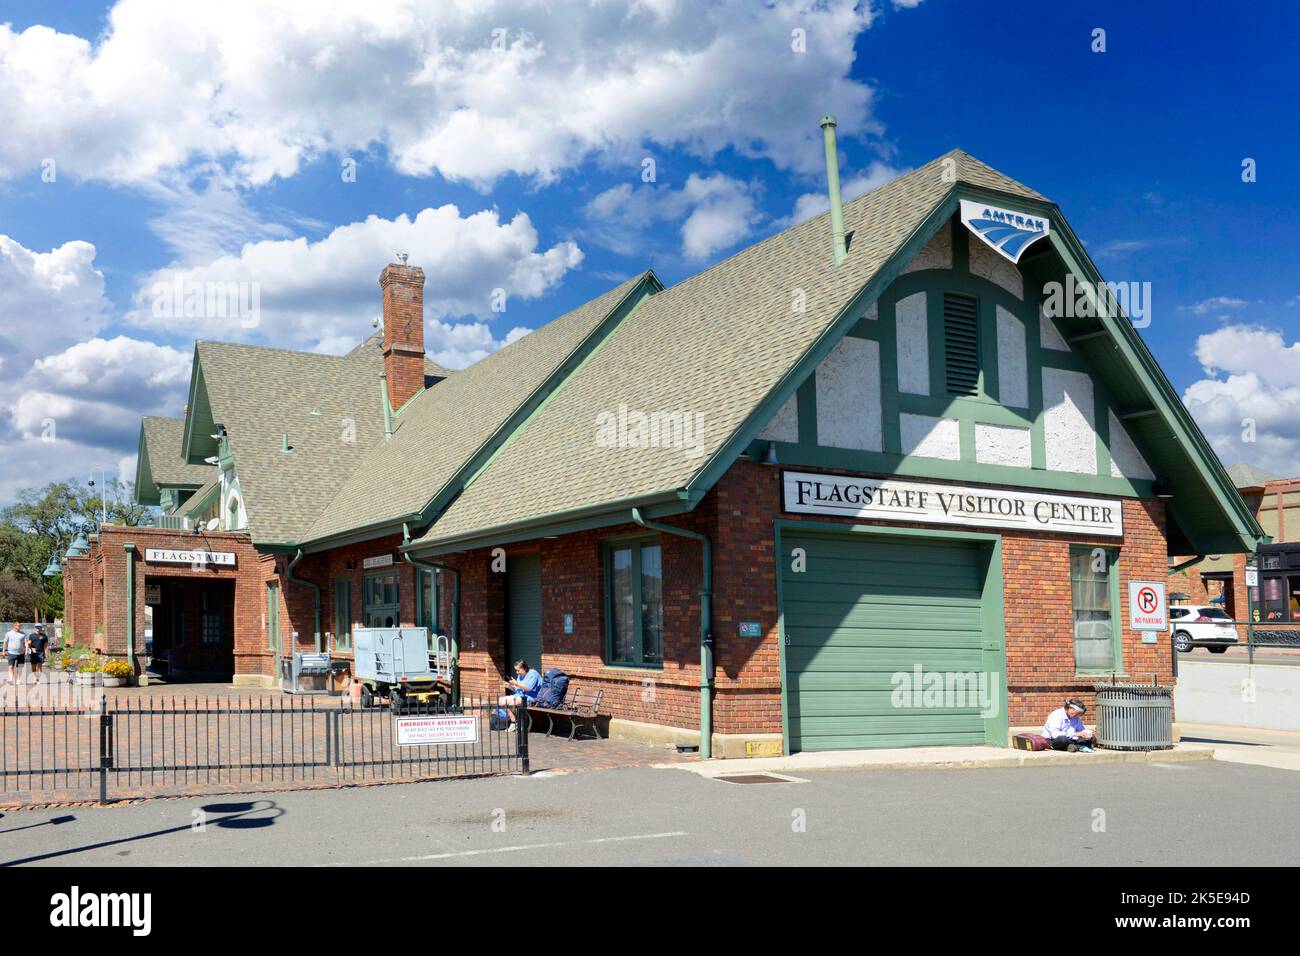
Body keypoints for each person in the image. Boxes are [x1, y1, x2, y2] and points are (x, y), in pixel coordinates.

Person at [498, 659, 541, 732]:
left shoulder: (533, 673)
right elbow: (518, 690)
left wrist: (516, 684)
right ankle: (514, 721)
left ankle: (517, 723)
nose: (517, 672)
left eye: (518, 670)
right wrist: (509, 686)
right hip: (519, 695)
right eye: (516, 670)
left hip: (530, 697)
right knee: (500, 701)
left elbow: (528, 688)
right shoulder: (520, 676)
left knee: (510, 703)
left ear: (524, 668)